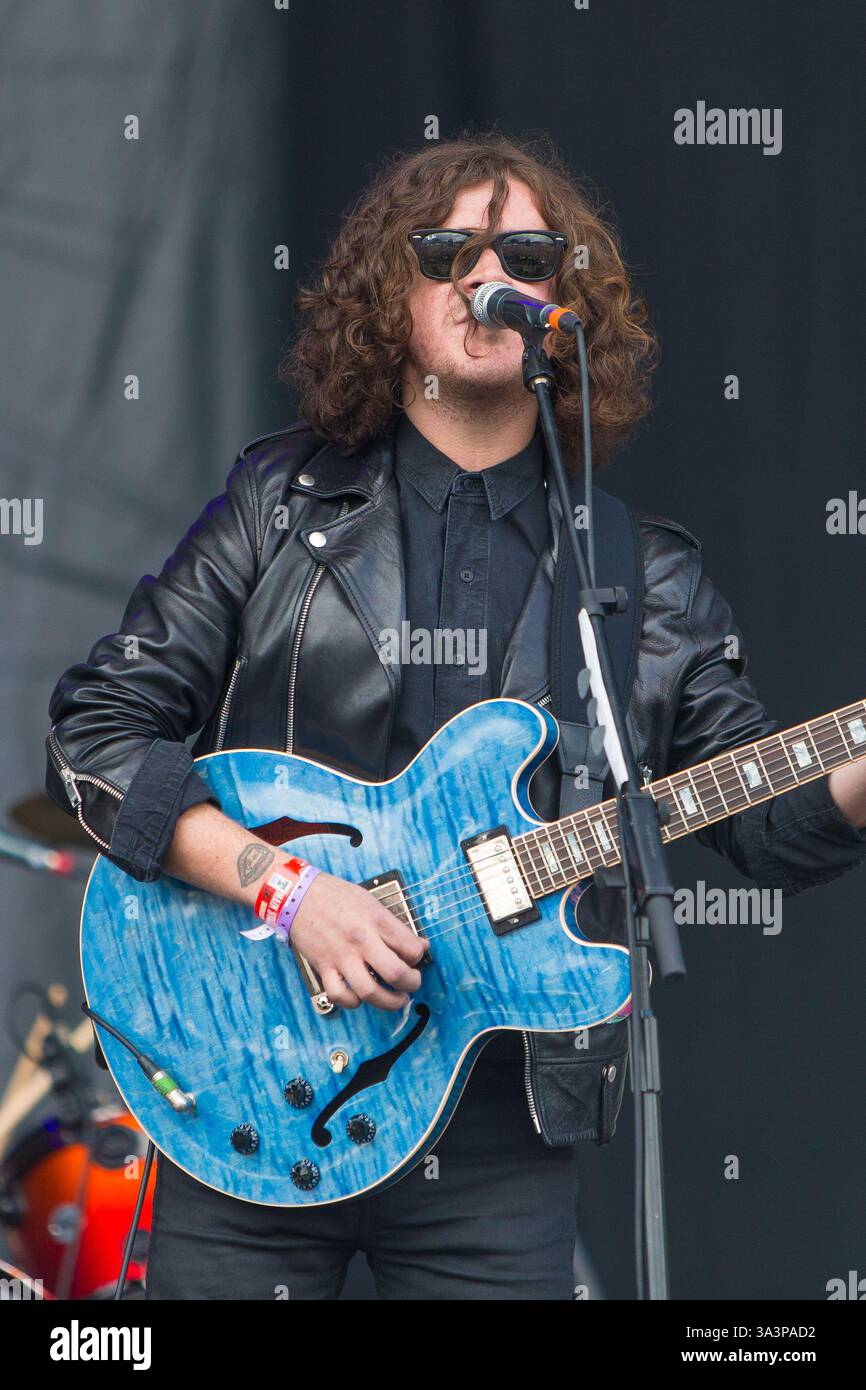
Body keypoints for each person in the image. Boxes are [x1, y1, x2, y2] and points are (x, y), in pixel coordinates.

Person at [45, 132, 866, 1300]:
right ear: (397, 293)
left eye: (526, 253)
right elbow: (93, 734)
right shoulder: (278, 509)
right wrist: (288, 892)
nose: (491, 276)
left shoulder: (639, 576)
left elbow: (762, 821)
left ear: (562, 302)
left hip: (495, 1136)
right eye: (449, 250)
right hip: (246, 1078)